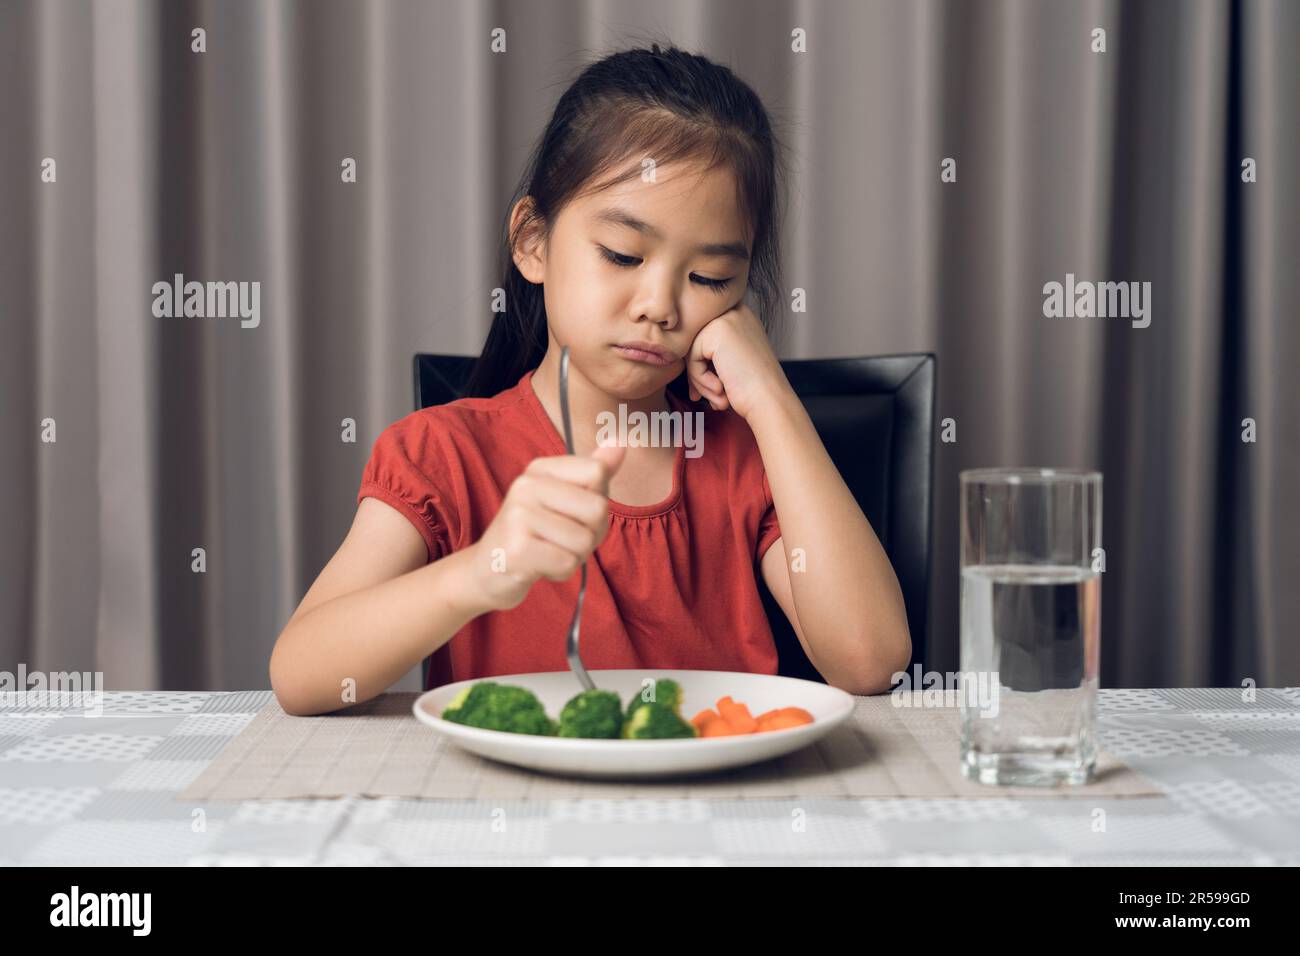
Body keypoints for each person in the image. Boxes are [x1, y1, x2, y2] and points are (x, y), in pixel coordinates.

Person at [269, 43, 910, 716]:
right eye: (623, 255)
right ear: (533, 243)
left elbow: (869, 661)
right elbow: (303, 675)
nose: (659, 306)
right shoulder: (443, 454)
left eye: (710, 278)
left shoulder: (744, 455)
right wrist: (486, 568)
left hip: (713, 813)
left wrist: (772, 398)